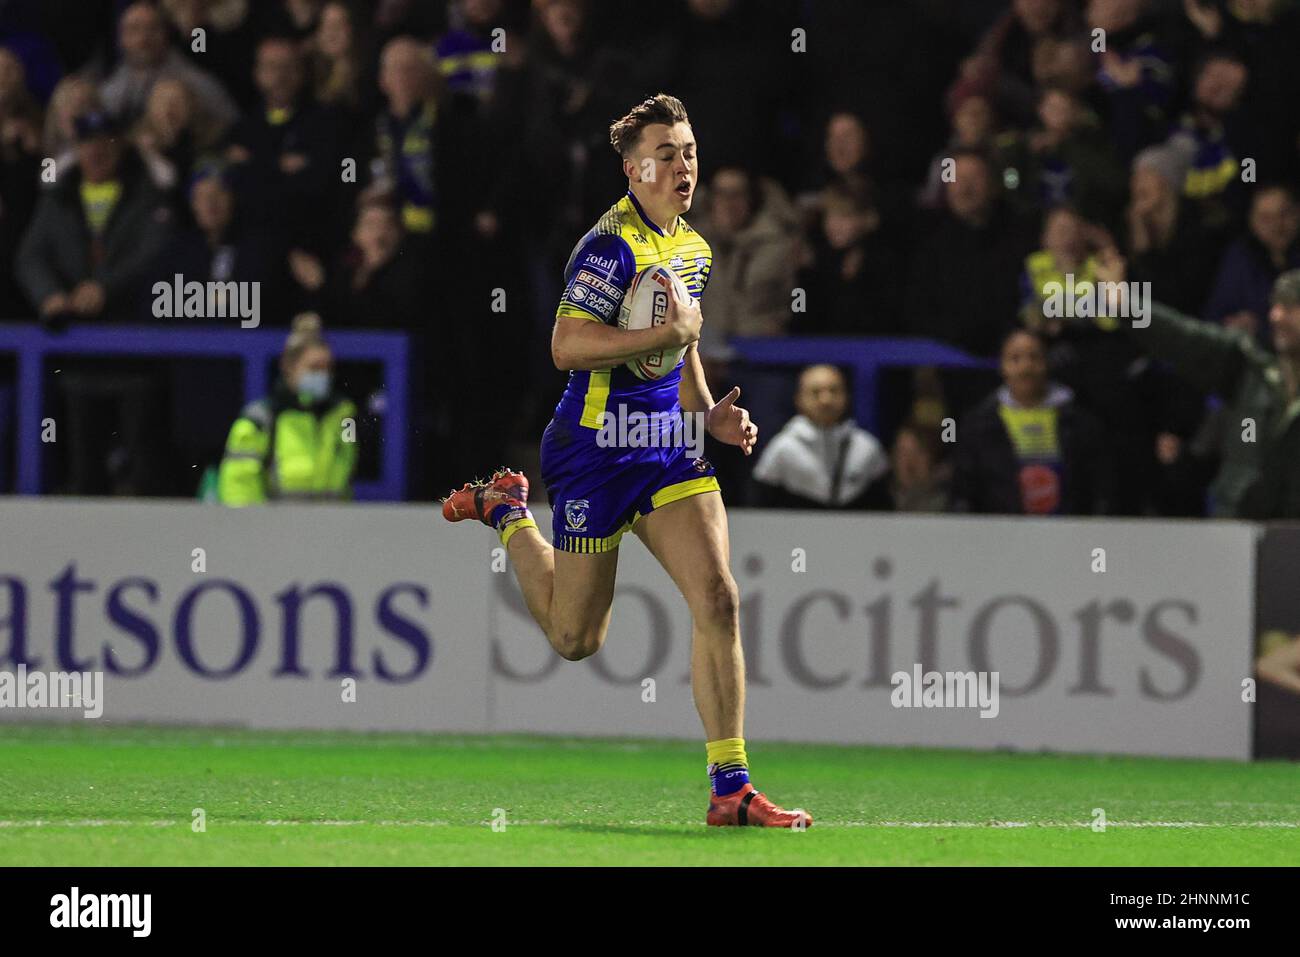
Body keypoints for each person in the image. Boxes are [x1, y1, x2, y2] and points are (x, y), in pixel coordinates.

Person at [440, 94, 809, 828]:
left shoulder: (694, 249)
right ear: (633, 168)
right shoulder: (608, 248)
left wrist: (709, 415)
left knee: (719, 597)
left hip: (667, 448)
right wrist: (661, 337)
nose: (684, 166)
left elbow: (685, 342)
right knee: (577, 639)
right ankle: (510, 512)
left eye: (691, 151)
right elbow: (566, 345)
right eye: (667, 154)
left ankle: (729, 786)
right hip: (595, 450)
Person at [1092, 250, 1300, 518]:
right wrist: (1125, 305)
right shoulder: (1247, 366)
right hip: (1242, 527)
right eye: (1275, 306)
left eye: (1292, 307)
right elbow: (1183, 337)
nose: (1276, 317)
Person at [950, 328, 1113, 515]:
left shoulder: (1080, 423)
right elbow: (964, 491)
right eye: (1015, 359)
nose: (1026, 367)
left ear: (1046, 363)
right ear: (1002, 366)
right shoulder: (978, 425)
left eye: (1034, 357)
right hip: (1003, 533)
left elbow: (1100, 487)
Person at [217, 314, 358, 505]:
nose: (323, 375)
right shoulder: (257, 421)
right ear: (288, 367)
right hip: (275, 529)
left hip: (330, 528)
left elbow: (347, 472)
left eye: (328, 368)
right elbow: (239, 490)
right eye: (314, 368)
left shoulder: (344, 417)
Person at [749, 364, 889, 510]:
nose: (825, 400)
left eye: (834, 391)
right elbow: (760, 506)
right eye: (815, 392)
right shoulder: (783, 449)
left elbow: (882, 509)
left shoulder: (867, 448)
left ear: (847, 396)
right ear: (799, 399)